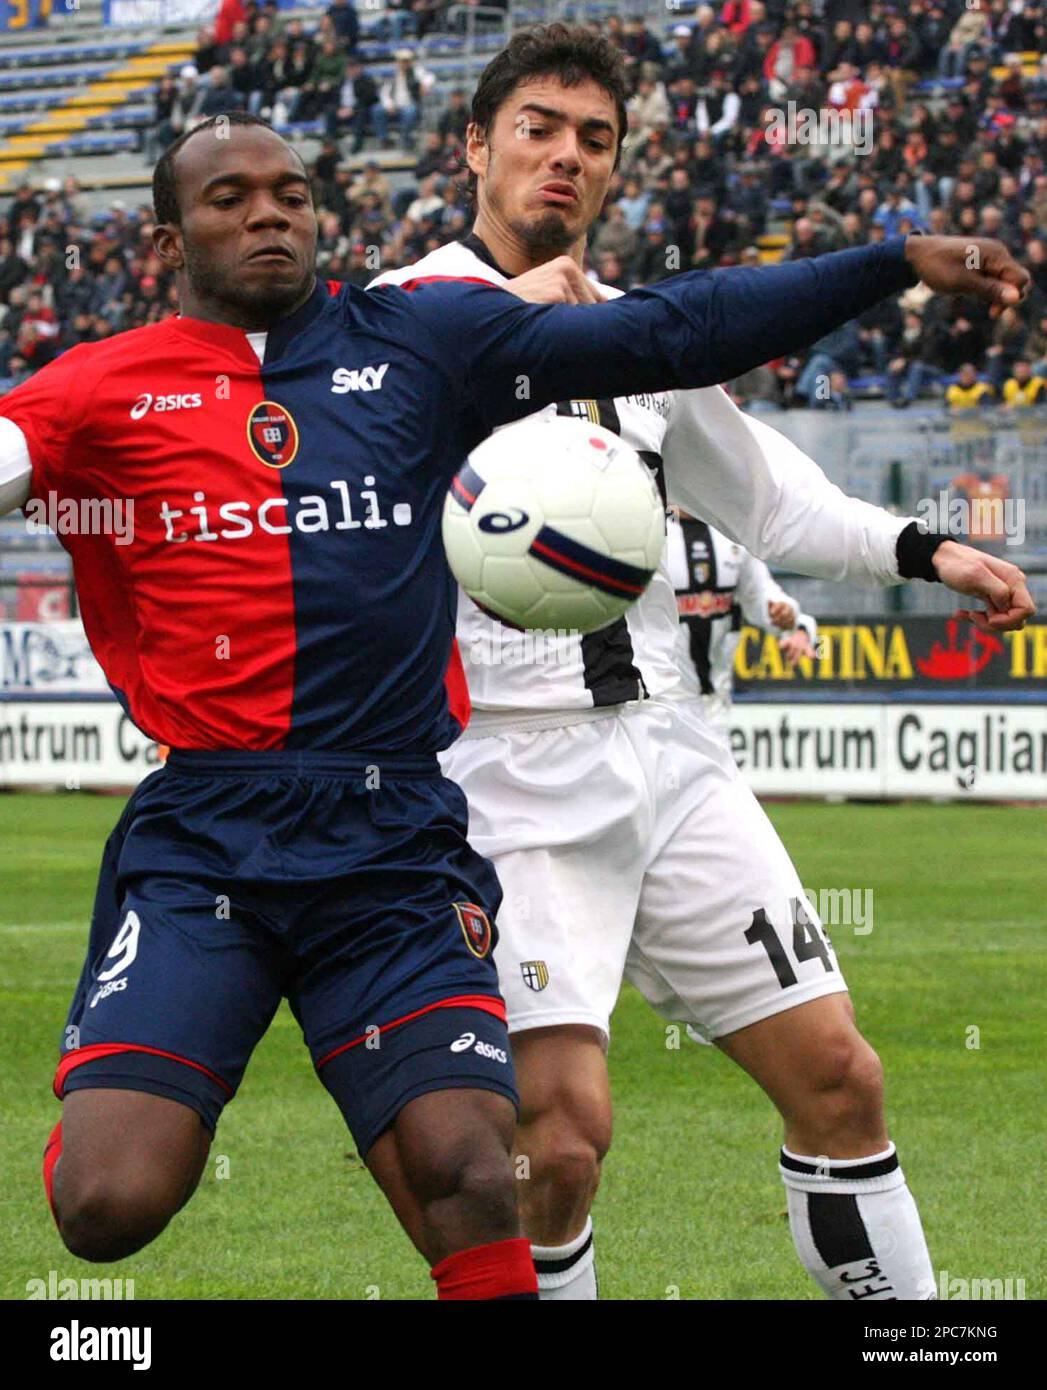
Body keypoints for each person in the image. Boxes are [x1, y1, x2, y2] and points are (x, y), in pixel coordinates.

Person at [2, 106, 1004, 1298]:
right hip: (218, 822)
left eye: (290, 191)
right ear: (168, 241)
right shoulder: (90, 392)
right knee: (108, 1207)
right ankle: (122, 1092)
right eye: (230, 199)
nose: (268, 212)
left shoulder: (422, 340)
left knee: (488, 1170)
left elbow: (673, 332)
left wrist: (885, 264)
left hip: (397, 835)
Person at [368, 24, 1033, 1300]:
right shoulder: (395, 327)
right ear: (475, 146)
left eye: (594, 140)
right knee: (557, 1140)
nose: (566, 156)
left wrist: (931, 547)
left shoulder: (638, 335)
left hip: (672, 757)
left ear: (615, 170)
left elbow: (771, 501)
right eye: (538, 129)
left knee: (842, 1076)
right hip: (504, 775)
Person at [666, 509, 815, 735]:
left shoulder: (731, 534)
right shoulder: (646, 532)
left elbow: (763, 598)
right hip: (656, 707)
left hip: (713, 710)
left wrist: (792, 621)